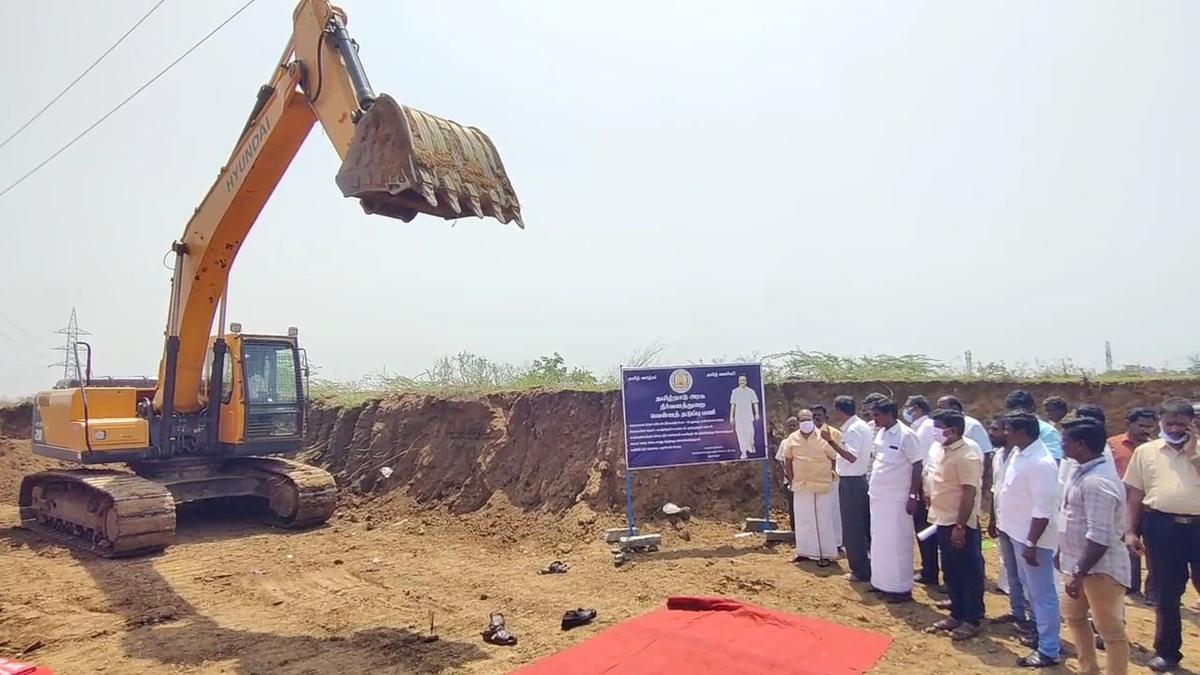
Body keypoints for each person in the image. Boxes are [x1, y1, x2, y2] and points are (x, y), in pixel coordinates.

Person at [1123, 398, 1200, 672]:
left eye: (1182, 423)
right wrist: (1130, 530)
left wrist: (1193, 454)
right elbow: (1135, 493)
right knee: (1166, 593)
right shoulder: (1145, 452)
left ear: (1191, 423)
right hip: (1161, 527)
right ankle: (1167, 653)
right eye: (1170, 423)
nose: (1176, 429)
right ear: (1160, 422)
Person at [1057, 418, 1130, 675]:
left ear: (1081, 445)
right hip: (1076, 563)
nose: (1061, 445)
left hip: (1099, 569)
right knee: (1075, 618)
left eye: (1065, 441)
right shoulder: (1081, 471)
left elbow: (1099, 536)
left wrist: (1078, 572)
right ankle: (1088, 669)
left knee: (1110, 631)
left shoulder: (1097, 481)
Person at [997, 412, 1061, 668]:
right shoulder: (1019, 453)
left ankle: (1049, 650)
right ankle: (1035, 631)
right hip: (1013, 531)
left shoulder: (1041, 462)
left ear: (1022, 432)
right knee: (1026, 587)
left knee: (1042, 593)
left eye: (1008, 429)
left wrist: (1032, 543)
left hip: (1031, 538)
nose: (1004, 433)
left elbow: (1044, 509)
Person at [924, 409, 985, 641]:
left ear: (953, 430)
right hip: (942, 519)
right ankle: (956, 613)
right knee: (950, 570)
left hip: (959, 524)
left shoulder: (967, 456)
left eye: (938, 427)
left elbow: (969, 493)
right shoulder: (943, 451)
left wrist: (960, 526)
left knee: (968, 572)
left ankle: (972, 619)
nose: (934, 431)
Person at [867, 399, 924, 603]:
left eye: (877, 415)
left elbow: (917, 465)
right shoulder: (881, 434)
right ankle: (881, 583)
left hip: (897, 499)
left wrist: (912, 495)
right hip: (879, 497)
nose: (874, 419)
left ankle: (900, 589)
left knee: (897, 542)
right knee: (880, 542)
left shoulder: (906, 435)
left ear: (890, 414)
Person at [781, 409, 847, 566]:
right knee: (803, 519)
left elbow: (835, 457)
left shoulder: (823, 437)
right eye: (802, 420)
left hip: (822, 485)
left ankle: (826, 554)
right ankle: (804, 552)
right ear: (798, 422)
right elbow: (788, 459)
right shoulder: (792, 438)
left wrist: (832, 475)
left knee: (822, 520)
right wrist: (792, 479)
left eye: (808, 419)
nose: (806, 423)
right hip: (801, 484)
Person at [1108, 407, 1157, 597]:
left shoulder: (1155, 448)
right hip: (1124, 506)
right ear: (1129, 424)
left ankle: (1153, 591)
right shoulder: (1112, 445)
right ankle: (1131, 585)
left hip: (1150, 507)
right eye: (1142, 426)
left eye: (1149, 427)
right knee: (1128, 547)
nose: (1146, 430)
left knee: (1154, 552)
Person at [832, 395, 873, 583]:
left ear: (840, 411)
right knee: (860, 526)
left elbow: (851, 457)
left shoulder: (854, 429)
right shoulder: (858, 426)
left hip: (852, 481)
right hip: (856, 480)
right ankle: (865, 566)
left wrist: (831, 443)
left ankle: (860, 570)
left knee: (853, 528)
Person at [905, 395, 940, 586]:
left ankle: (930, 571)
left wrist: (917, 488)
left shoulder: (926, 427)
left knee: (924, 529)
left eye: (908, 408)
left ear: (916, 408)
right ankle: (928, 568)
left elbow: (922, 460)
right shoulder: (918, 427)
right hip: (921, 484)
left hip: (923, 485)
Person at [988, 416, 1019, 600]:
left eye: (995, 429)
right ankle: (1014, 603)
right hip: (1001, 516)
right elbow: (995, 488)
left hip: (1018, 519)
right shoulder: (997, 455)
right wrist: (992, 518)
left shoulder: (1020, 456)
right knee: (1006, 560)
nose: (991, 433)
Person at [812, 404, 843, 549]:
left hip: (831, 478)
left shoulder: (834, 433)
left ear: (825, 416)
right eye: (813, 415)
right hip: (812, 478)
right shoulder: (806, 434)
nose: (816, 417)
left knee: (833, 512)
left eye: (819, 414)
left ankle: (836, 542)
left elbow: (839, 455)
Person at [1006, 389, 1064, 463]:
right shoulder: (1010, 431)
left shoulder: (1047, 431)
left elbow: (1054, 461)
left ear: (1032, 408)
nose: (1016, 415)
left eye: (1019, 411)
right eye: (1012, 412)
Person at [774, 416, 801, 533]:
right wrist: (786, 480)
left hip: (805, 481)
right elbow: (781, 463)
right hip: (789, 482)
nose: (792, 427)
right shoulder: (784, 443)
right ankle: (794, 531)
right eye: (789, 425)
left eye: (794, 425)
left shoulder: (805, 442)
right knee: (793, 508)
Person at [729, 374, 760, 459]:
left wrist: (756, 413)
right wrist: (731, 417)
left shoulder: (751, 391)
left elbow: (755, 402)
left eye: (743, 380)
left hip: (748, 416)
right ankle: (743, 452)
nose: (741, 382)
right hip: (738, 417)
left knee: (750, 433)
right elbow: (733, 405)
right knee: (740, 435)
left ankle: (751, 444)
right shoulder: (734, 391)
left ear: (746, 382)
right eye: (740, 380)